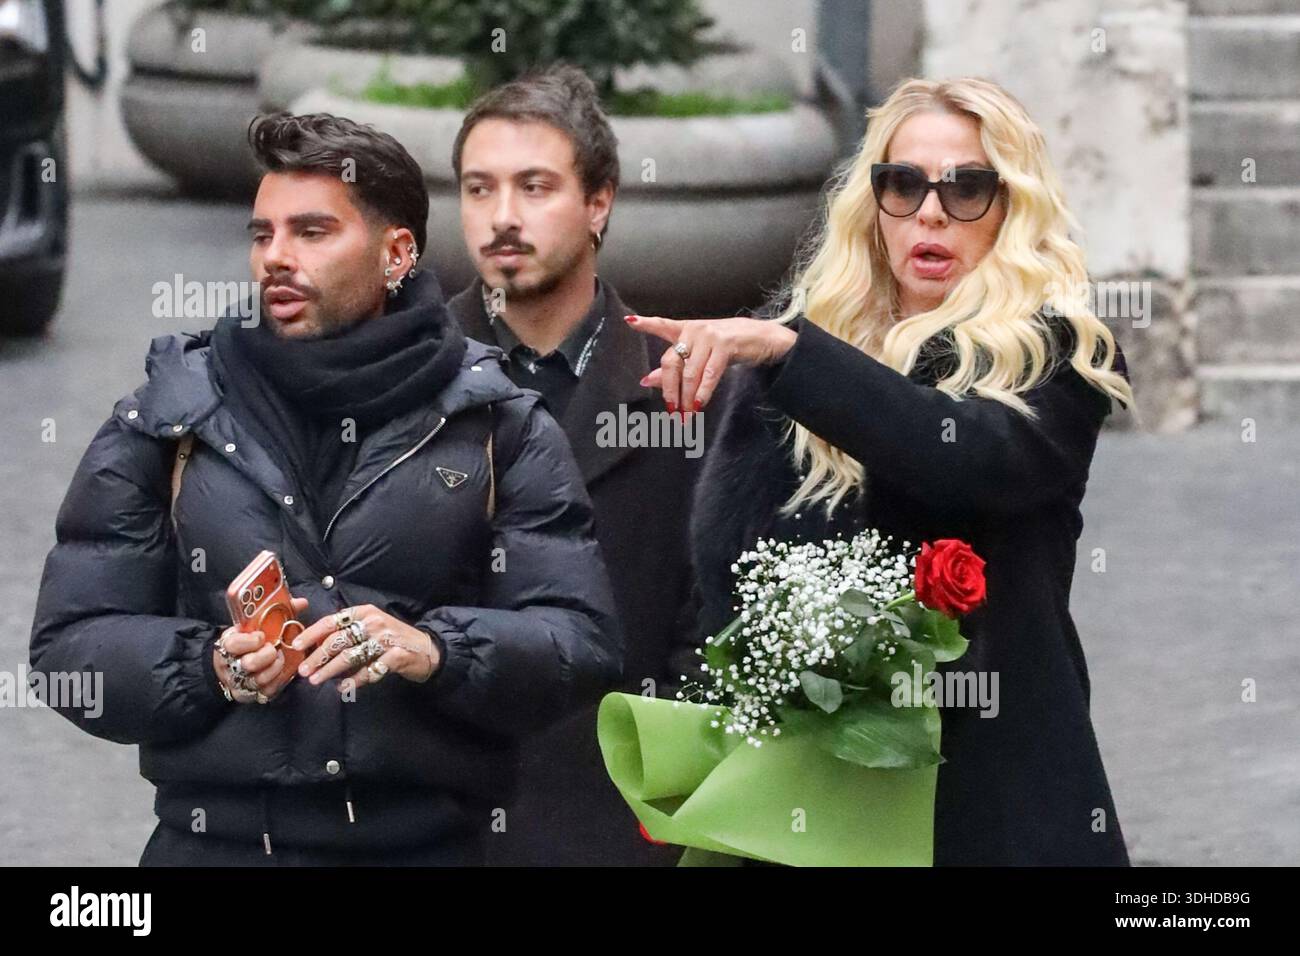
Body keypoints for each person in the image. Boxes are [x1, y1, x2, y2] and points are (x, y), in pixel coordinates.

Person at [28, 111, 622, 866]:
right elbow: (70, 645)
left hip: (426, 847)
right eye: (263, 235)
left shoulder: (496, 420)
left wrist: (436, 650)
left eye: (312, 232)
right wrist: (207, 665)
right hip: (219, 847)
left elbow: (580, 640)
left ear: (396, 253)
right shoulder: (172, 414)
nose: (276, 257)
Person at [628, 76, 1135, 865]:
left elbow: (967, 460)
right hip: (814, 805)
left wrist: (793, 355)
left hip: (990, 797)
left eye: (966, 188)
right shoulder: (790, 358)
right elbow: (726, 575)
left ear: (1012, 206)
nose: (930, 213)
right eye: (903, 184)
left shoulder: (1053, 351)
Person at [446, 64, 698, 866]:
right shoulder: (401, 380)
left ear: (599, 202)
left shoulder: (689, 389)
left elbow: (710, 619)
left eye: (535, 187)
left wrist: (670, 803)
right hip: (438, 823)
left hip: (622, 824)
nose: (503, 217)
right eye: (479, 189)